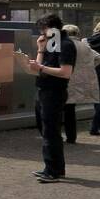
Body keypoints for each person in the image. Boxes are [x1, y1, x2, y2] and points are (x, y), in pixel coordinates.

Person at [23, 14, 76, 182]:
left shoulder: (66, 45)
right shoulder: (53, 43)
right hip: (44, 90)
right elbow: (39, 69)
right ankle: (53, 168)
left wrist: (41, 67)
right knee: (47, 130)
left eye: (43, 30)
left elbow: (66, 72)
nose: (42, 33)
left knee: (51, 132)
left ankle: (53, 171)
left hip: (54, 92)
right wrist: (40, 49)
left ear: (53, 28)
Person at [61, 24, 100, 145]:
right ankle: (71, 137)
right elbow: (99, 57)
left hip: (63, 80)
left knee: (56, 109)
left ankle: (55, 135)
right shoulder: (84, 46)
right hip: (77, 81)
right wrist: (88, 68)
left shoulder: (64, 45)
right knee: (70, 111)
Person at [90, 21, 100, 136]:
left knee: (97, 101)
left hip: (93, 73)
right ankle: (95, 127)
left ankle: (98, 126)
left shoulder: (87, 41)